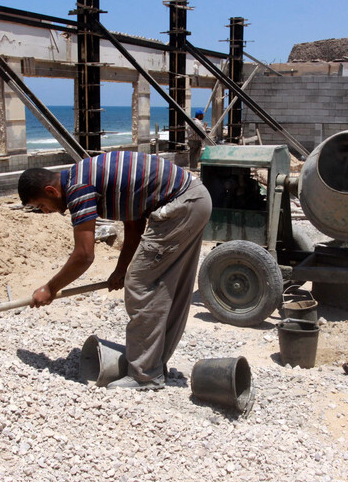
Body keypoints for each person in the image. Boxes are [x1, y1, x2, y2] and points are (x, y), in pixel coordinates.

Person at [17, 151, 212, 390]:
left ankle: (145, 375)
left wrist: (50, 288)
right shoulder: (84, 176)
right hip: (195, 199)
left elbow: (84, 255)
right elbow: (134, 220)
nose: (45, 212)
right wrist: (121, 269)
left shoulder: (78, 189)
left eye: (41, 206)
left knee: (140, 285)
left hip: (181, 205)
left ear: (51, 191)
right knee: (166, 285)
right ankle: (153, 366)